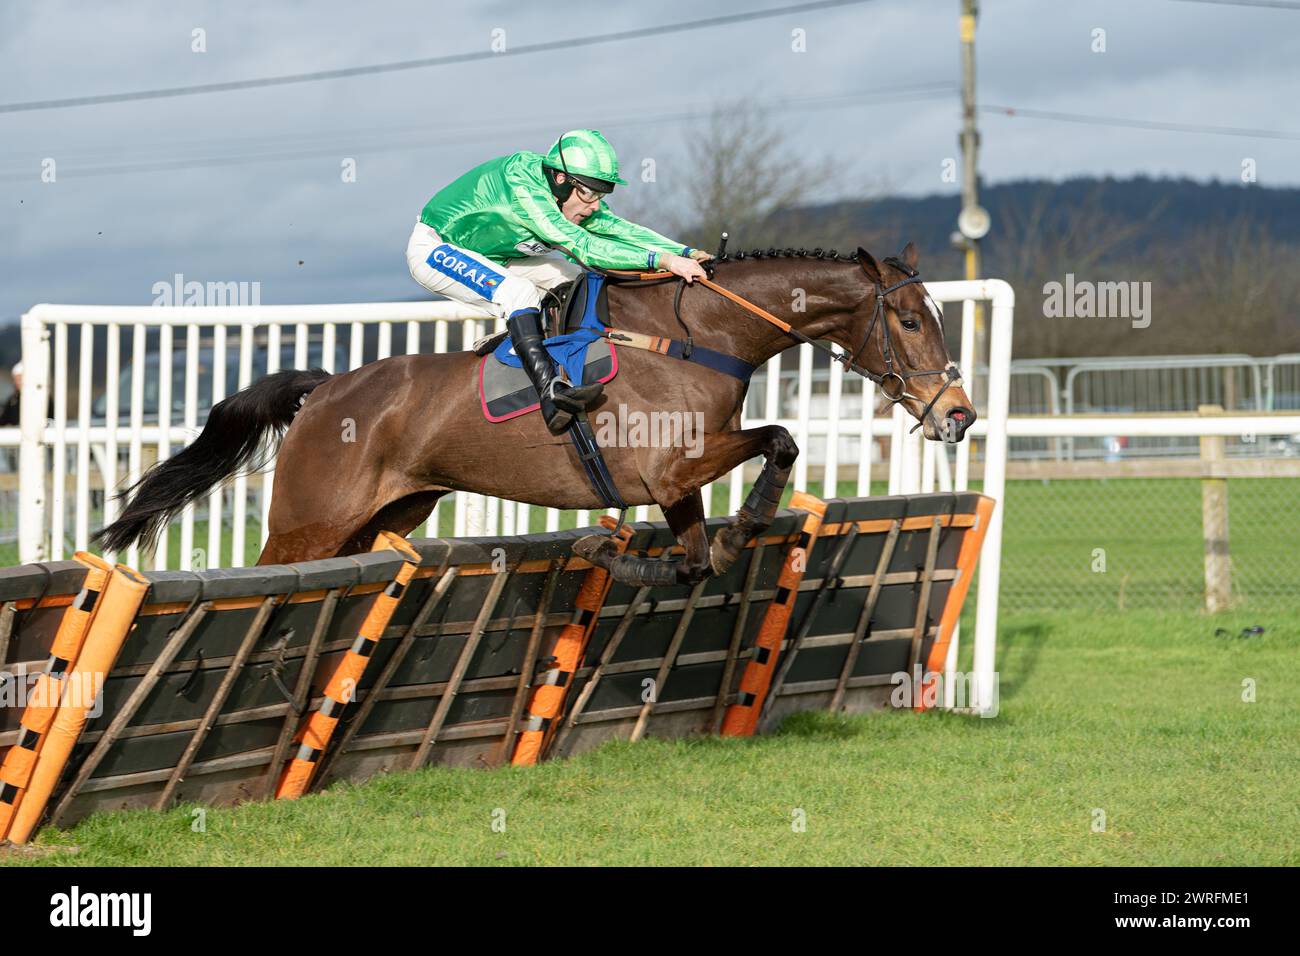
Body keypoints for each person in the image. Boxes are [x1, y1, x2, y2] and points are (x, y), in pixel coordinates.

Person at [408, 129, 711, 432]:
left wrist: (685, 252)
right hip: (435, 248)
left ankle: (548, 352)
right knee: (521, 293)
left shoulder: (569, 191)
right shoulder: (525, 189)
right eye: (589, 194)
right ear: (561, 180)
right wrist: (665, 261)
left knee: (577, 280)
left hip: (497, 256)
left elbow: (618, 228)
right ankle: (550, 395)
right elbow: (584, 247)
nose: (595, 205)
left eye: (601, 195)